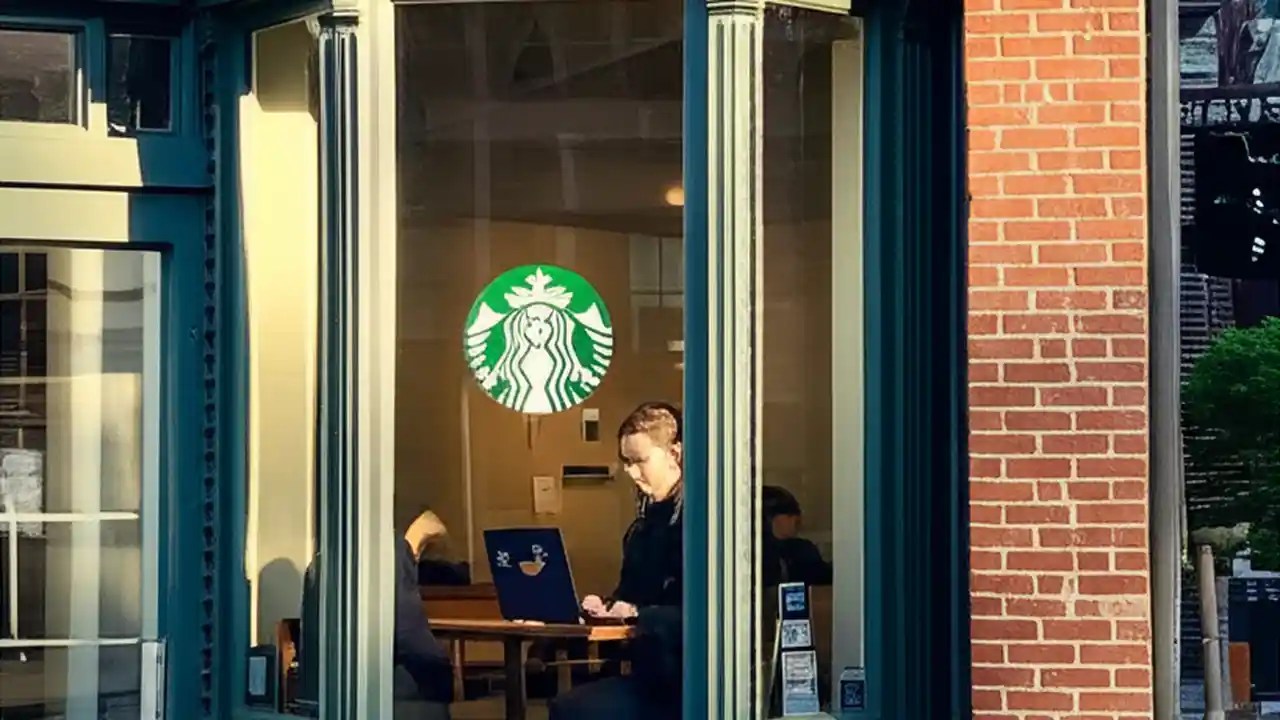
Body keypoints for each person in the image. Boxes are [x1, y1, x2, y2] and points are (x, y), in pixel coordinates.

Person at [549, 401, 685, 720]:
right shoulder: (643, 527)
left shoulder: (702, 524)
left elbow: (708, 615)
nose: (632, 472)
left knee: (575, 709)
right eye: (626, 462)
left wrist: (638, 614)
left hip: (691, 679)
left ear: (675, 454)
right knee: (573, 706)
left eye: (640, 460)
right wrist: (607, 608)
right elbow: (632, 594)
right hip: (653, 673)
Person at [298, 509, 454, 720]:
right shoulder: (389, 555)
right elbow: (409, 636)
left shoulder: (321, 562)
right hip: (387, 695)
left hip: (332, 692)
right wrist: (444, 671)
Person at [762, 485, 832, 586]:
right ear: (767, 518)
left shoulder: (803, 550)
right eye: (789, 513)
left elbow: (823, 578)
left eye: (797, 512)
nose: (797, 519)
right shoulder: (755, 555)